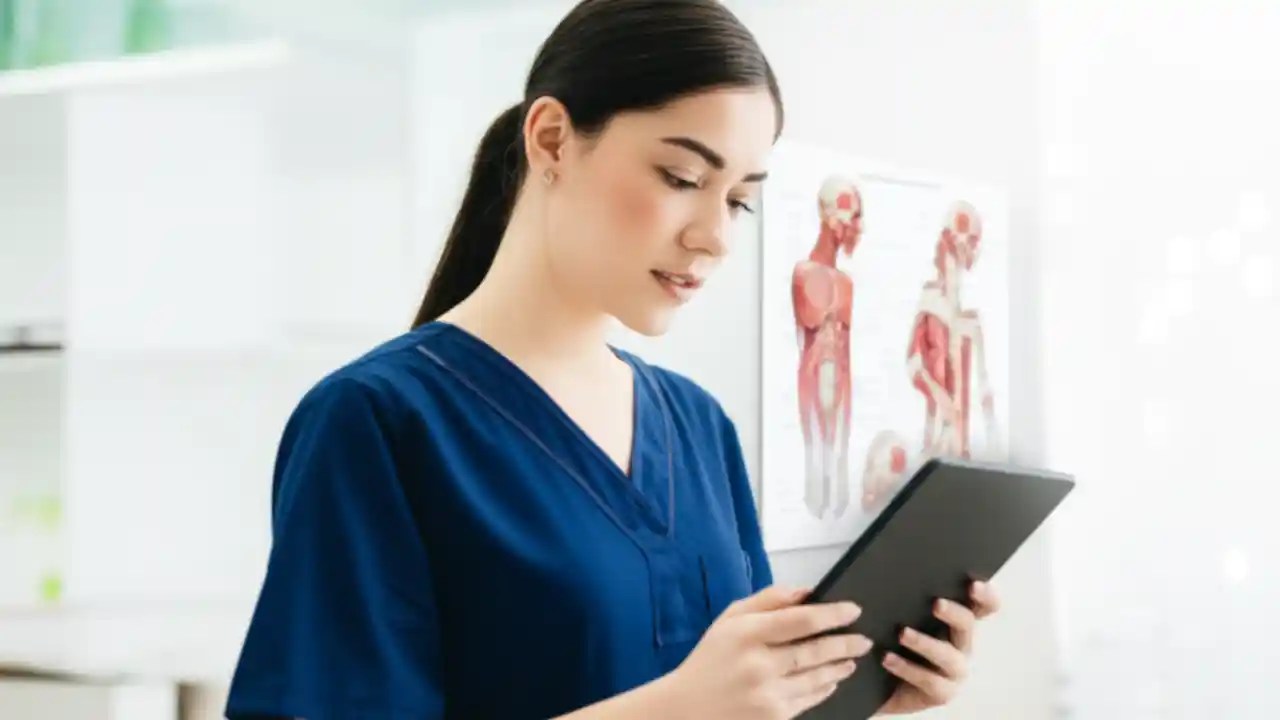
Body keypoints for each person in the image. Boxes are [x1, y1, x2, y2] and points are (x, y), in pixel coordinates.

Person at [224, 1, 1001, 718]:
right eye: (682, 178)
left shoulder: (698, 427)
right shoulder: (379, 422)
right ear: (553, 139)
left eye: (737, 200)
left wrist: (860, 696)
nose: (715, 236)